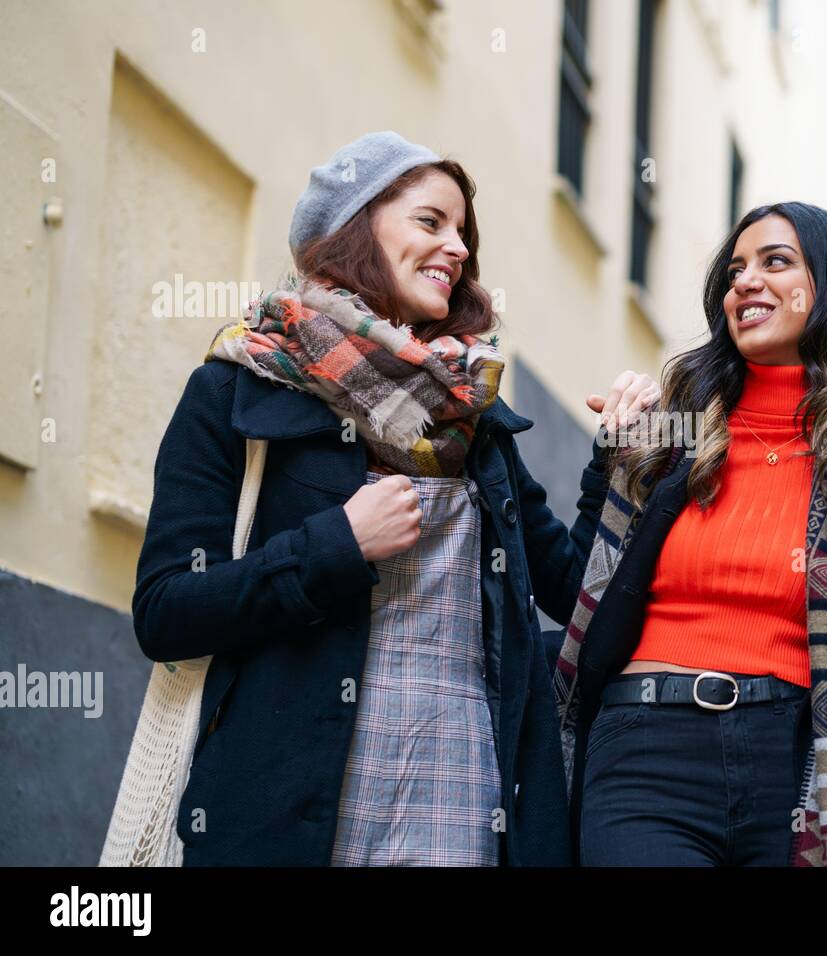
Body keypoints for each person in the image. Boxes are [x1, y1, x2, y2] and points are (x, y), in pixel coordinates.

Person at [132, 131, 658, 866]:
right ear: (354, 228)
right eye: (430, 221)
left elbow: (576, 597)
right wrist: (334, 547)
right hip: (288, 810)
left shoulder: (475, 423)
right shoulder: (234, 392)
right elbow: (165, 612)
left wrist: (618, 462)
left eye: (463, 233)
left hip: (462, 808)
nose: (459, 248)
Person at [553, 202, 827, 866]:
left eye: (776, 262)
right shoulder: (670, 440)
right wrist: (606, 460)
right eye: (735, 269)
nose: (745, 282)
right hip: (646, 753)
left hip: (798, 763)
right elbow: (576, 593)